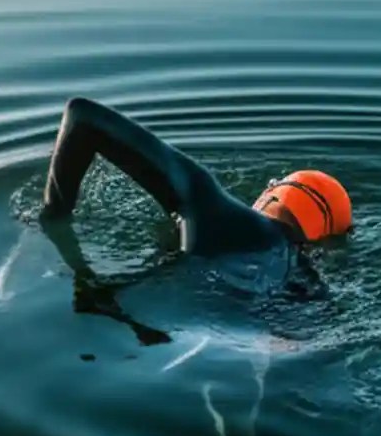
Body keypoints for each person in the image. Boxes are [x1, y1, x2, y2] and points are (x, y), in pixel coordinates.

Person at [37, 97, 352, 343]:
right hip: (209, 343)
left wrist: (54, 219)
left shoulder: (212, 205)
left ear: (271, 195)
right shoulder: (307, 285)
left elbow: (82, 116)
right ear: (321, 241)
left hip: (129, 325)